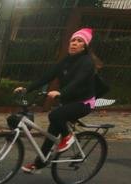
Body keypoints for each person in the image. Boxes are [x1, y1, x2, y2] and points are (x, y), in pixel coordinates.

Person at [14, 28, 100, 173]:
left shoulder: (87, 62)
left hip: (84, 103)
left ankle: (67, 137)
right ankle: (39, 163)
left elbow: (77, 81)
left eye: (79, 41)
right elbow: (47, 76)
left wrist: (61, 92)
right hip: (68, 102)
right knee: (52, 131)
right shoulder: (66, 61)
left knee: (55, 115)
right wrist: (26, 89)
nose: (74, 43)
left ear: (84, 46)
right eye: (73, 40)